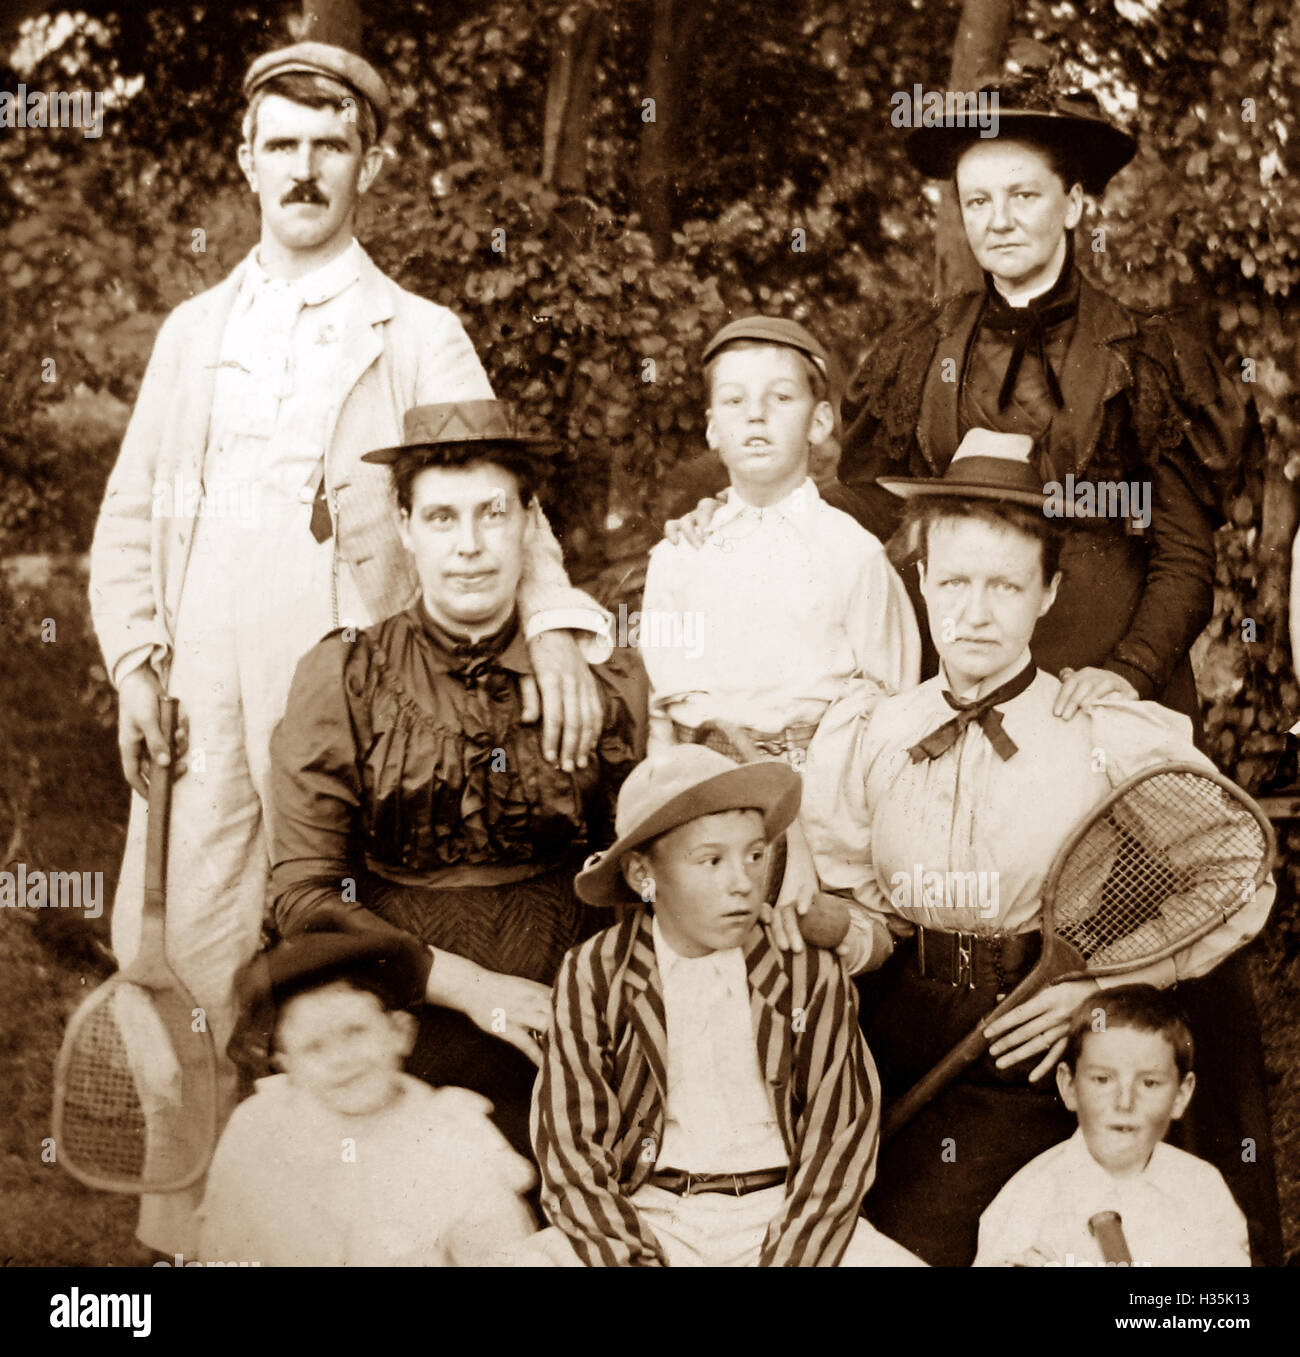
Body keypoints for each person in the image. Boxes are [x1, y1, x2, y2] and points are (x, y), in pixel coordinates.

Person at [88, 42, 608, 1256]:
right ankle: (200, 1236)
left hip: (356, 702)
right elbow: (130, 519)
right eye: (283, 146)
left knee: (339, 950)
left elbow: (499, 500)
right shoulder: (194, 331)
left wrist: (560, 631)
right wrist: (136, 664)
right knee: (197, 960)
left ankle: (366, 1230)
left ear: (366, 163)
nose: (305, 169)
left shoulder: (417, 330)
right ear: (247, 163)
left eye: (330, 145)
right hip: (209, 708)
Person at [803, 433, 1273, 1266]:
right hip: (887, 1045)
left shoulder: (1096, 731)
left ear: (1047, 592)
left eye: (1005, 586)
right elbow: (870, 921)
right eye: (952, 582)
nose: (975, 613)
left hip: (1027, 1046)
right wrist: (831, 924)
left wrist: (1102, 981)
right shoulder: (874, 730)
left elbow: (1235, 865)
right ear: (920, 581)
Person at [266, 399, 646, 1162]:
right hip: (404, 986)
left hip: (571, 984)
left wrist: (602, 1006)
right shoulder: (342, 675)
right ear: (405, 528)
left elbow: (639, 866)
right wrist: (470, 987)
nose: (469, 546)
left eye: (492, 514)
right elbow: (302, 896)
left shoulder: (598, 676)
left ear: (527, 522)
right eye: (441, 518)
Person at [521, 743, 924, 1267]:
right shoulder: (595, 971)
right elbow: (571, 1148)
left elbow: (839, 1141)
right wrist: (627, 1259)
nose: (741, 883)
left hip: (781, 1214)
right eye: (710, 860)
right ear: (644, 875)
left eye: (755, 856)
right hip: (647, 1212)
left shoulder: (804, 968)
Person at [640, 315, 919, 960]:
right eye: (734, 401)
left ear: (820, 422)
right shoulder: (679, 558)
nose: (756, 417)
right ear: (712, 426)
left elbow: (892, 710)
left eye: (781, 398)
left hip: (824, 810)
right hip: (705, 809)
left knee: (807, 968)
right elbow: (668, 711)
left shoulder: (854, 555)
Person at [198, 932, 536, 1267]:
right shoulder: (258, 1126)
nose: (341, 1059)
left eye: (355, 1032)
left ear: (399, 1033)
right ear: (287, 1066)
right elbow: (224, 1249)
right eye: (314, 1047)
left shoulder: (458, 1135)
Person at [974, 986, 1250, 1268]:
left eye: (1149, 1083)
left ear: (1181, 1095)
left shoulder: (1201, 1187)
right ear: (1069, 1086)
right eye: (1103, 1079)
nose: (1125, 1102)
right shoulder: (1028, 1199)